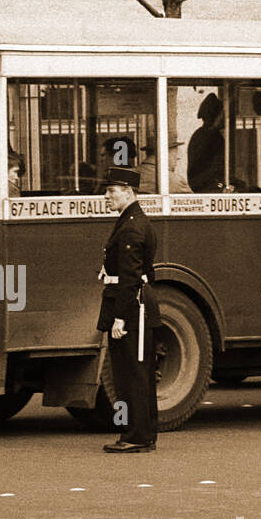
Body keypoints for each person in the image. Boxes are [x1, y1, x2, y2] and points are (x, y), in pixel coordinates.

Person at [96, 166, 162, 453]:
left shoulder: (132, 225)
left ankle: (136, 436)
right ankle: (144, 433)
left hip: (131, 306)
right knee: (139, 372)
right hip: (137, 302)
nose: (107, 196)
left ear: (129, 192)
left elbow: (130, 277)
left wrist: (121, 317)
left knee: (131, 373)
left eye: (112, 191)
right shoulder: (132, 220)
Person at [186, 93, 226, 192]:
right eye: (222, 114)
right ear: (215, 116)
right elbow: (216, 169)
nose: (224, 118)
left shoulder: (199, 134)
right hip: (210, 189)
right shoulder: (213, 137)